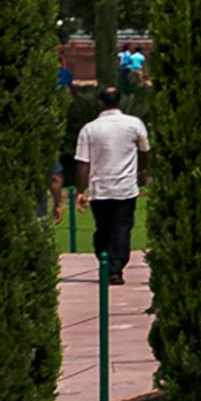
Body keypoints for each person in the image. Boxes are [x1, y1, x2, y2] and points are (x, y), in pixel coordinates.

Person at [74, 81, 152, 300]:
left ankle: (108, 262)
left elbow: (82, 162)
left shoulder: (89, 129)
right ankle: (116, 266)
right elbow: (145, 151)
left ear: (100, 103)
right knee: (122, 227)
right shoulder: (134, 124)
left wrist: (81, 190)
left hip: (100, 188)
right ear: (121, 101)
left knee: (104, 228)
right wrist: (143, 172)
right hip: (125, 187)